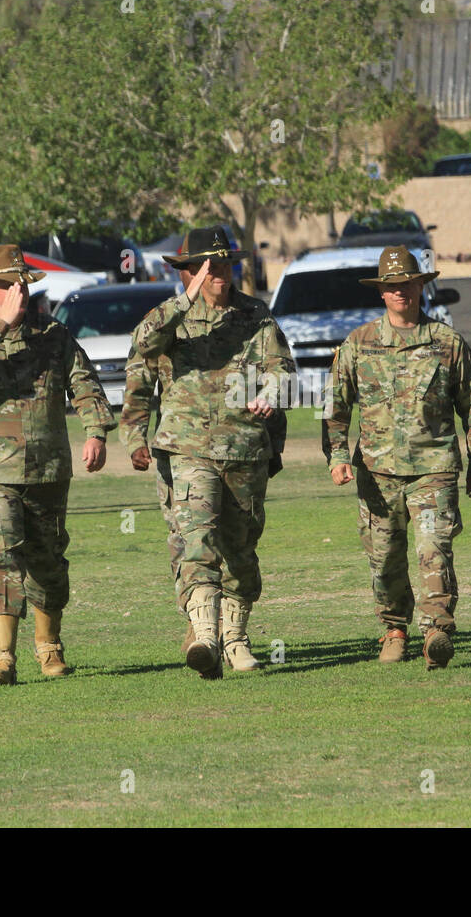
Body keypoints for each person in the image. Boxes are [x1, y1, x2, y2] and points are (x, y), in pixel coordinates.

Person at [0, 244, 115, 686]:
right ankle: (2, 657)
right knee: (1, 558)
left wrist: (95, 431)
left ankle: (49, 647)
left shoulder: (53, 334)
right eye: (10, 284)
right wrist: (0, 326)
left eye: (24, 283)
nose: (21, 292)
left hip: (46, 469)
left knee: (49, 564)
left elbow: (85, 383)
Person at [129, 226, 295, 679]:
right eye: (209, 266)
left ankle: (235, 639)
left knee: (241, 550)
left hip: (244, 449)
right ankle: (203, 636)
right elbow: (143, 345)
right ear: (188, 271)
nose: (220, 274)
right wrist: (187, 299)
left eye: (225, 265)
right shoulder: (168, 317)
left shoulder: (255, 315)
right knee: (197, 541)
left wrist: (272, 391)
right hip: (186, 450)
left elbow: (285, 370)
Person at [322, 245, 471, 669]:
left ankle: (436, 632)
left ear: (421, 286)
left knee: (434, 549)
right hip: (377, 474)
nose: (402, 292)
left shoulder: (447, 343)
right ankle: (395, 629)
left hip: (433, 470)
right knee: (385, 557)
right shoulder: (358, 345)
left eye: (409, 284)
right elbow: (336, 407)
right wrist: (338, 455)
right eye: (393, 286)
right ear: (382, 292)